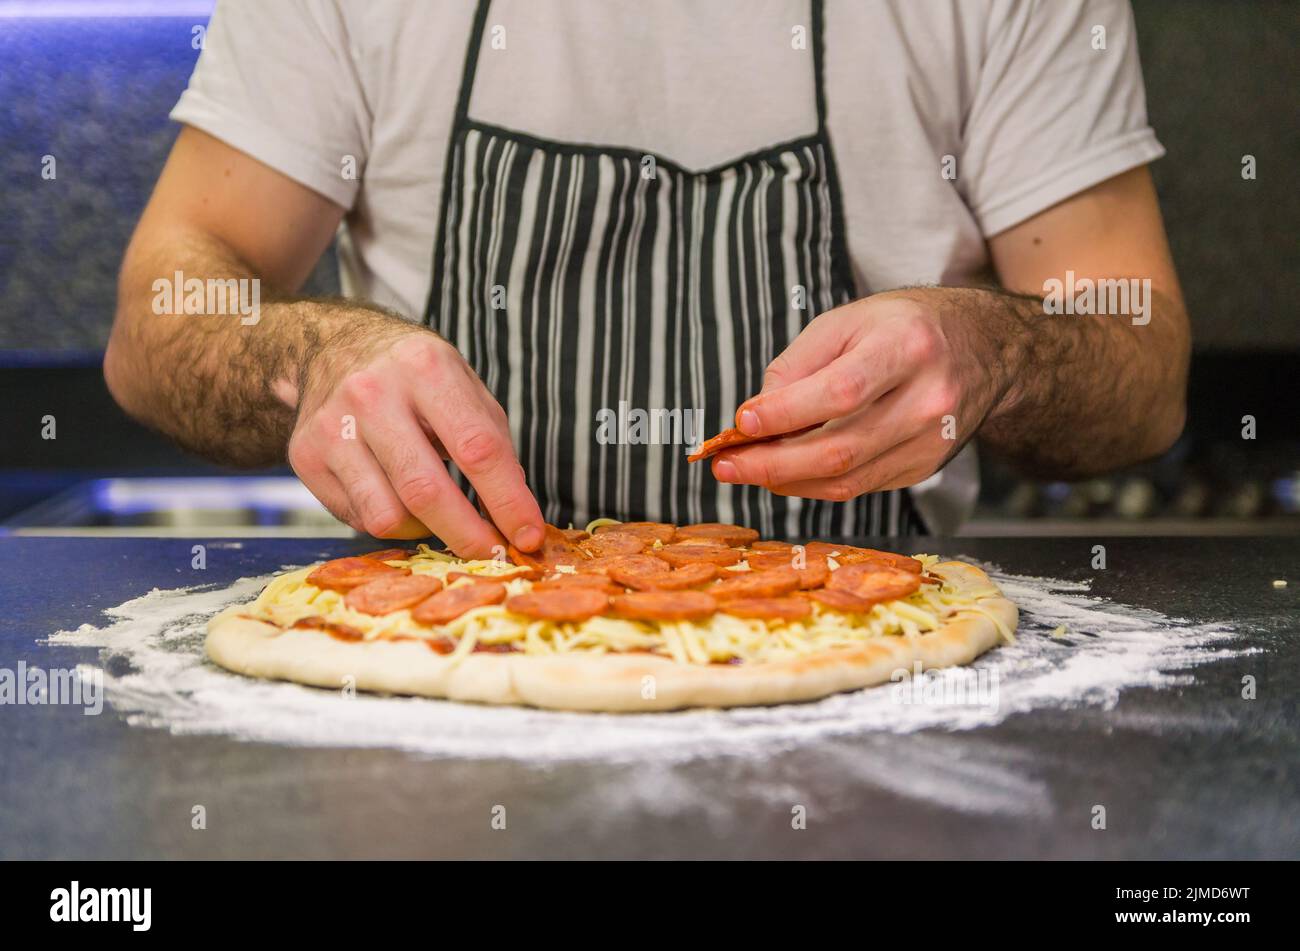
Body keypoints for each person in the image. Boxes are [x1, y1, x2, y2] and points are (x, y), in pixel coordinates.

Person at [104, 0, 1188, 558]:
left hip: (871, 675)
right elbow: (161, 318)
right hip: (447, 661)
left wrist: (990, 352)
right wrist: (317, 358)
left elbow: (1140, 367)